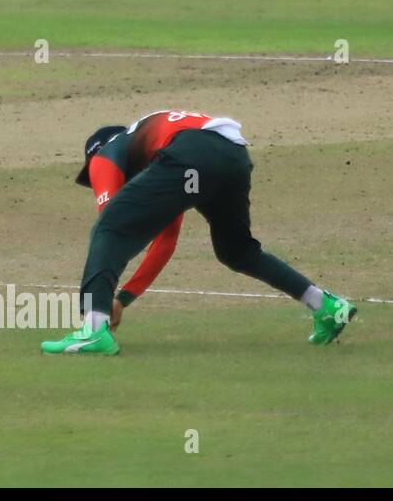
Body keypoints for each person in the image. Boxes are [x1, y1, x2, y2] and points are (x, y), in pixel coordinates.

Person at [42, 109, 357, 355]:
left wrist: (104, 300)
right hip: (232, 155)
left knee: (108, 228)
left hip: (193, 153)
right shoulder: (158, 162)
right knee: (237, 251)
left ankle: (93, 329)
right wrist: (123, 299)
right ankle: (326, 306)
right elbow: (165, 242)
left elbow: (112, 227)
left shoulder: (105, 152)